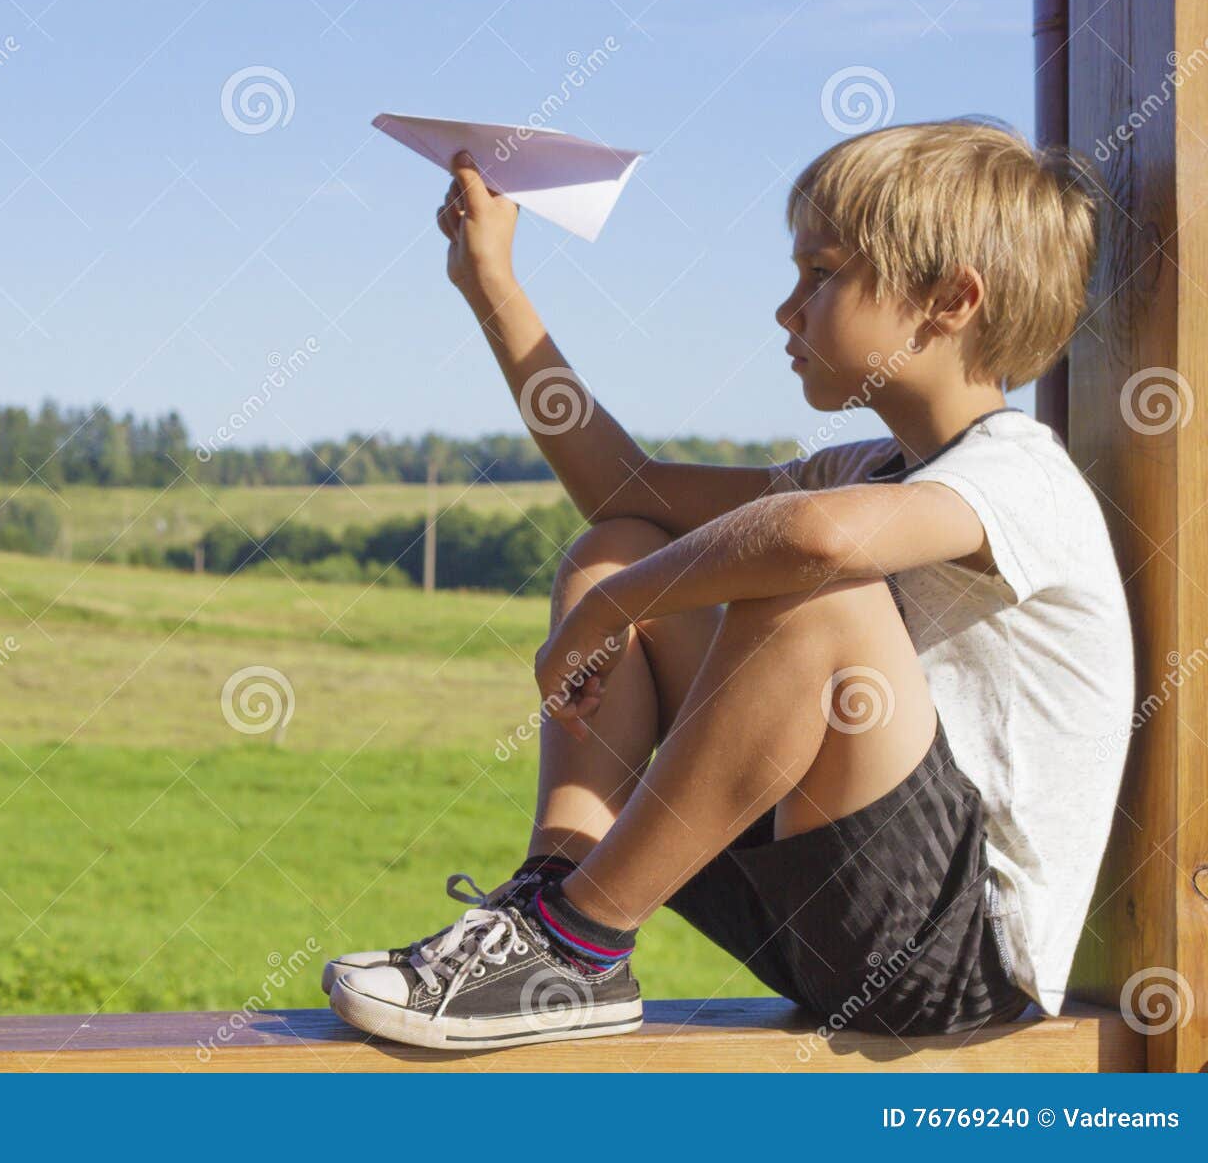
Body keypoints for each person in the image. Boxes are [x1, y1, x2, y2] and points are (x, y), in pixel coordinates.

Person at [324, 117, 1135, 1051]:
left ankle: (575, 941)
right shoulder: (871, 471)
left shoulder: (1020, 473)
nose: (787, 312)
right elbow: (624, 489)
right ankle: (557, 903)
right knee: (624, 541)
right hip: (818, 914)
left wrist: (616, 608)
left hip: (958, 965)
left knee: (814, 592)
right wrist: (492, 286)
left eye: (821, 275)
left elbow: (815, 543)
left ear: (949, 300)